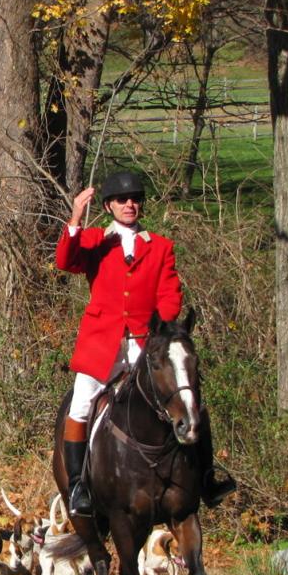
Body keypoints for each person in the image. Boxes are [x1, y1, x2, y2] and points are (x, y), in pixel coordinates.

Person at [56, 169, 234, 517]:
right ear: (108, 206)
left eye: (135, 199)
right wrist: (75, 218)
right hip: (102, 343)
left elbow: (170, 294)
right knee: (79, 405)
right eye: (122, 200)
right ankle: (78, 485)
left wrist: (158, 329)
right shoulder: (94, 240)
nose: (130, 204)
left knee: (187, 397)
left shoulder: (161, 247)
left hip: (145, 342)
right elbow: (66, 261)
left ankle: (207, 479)